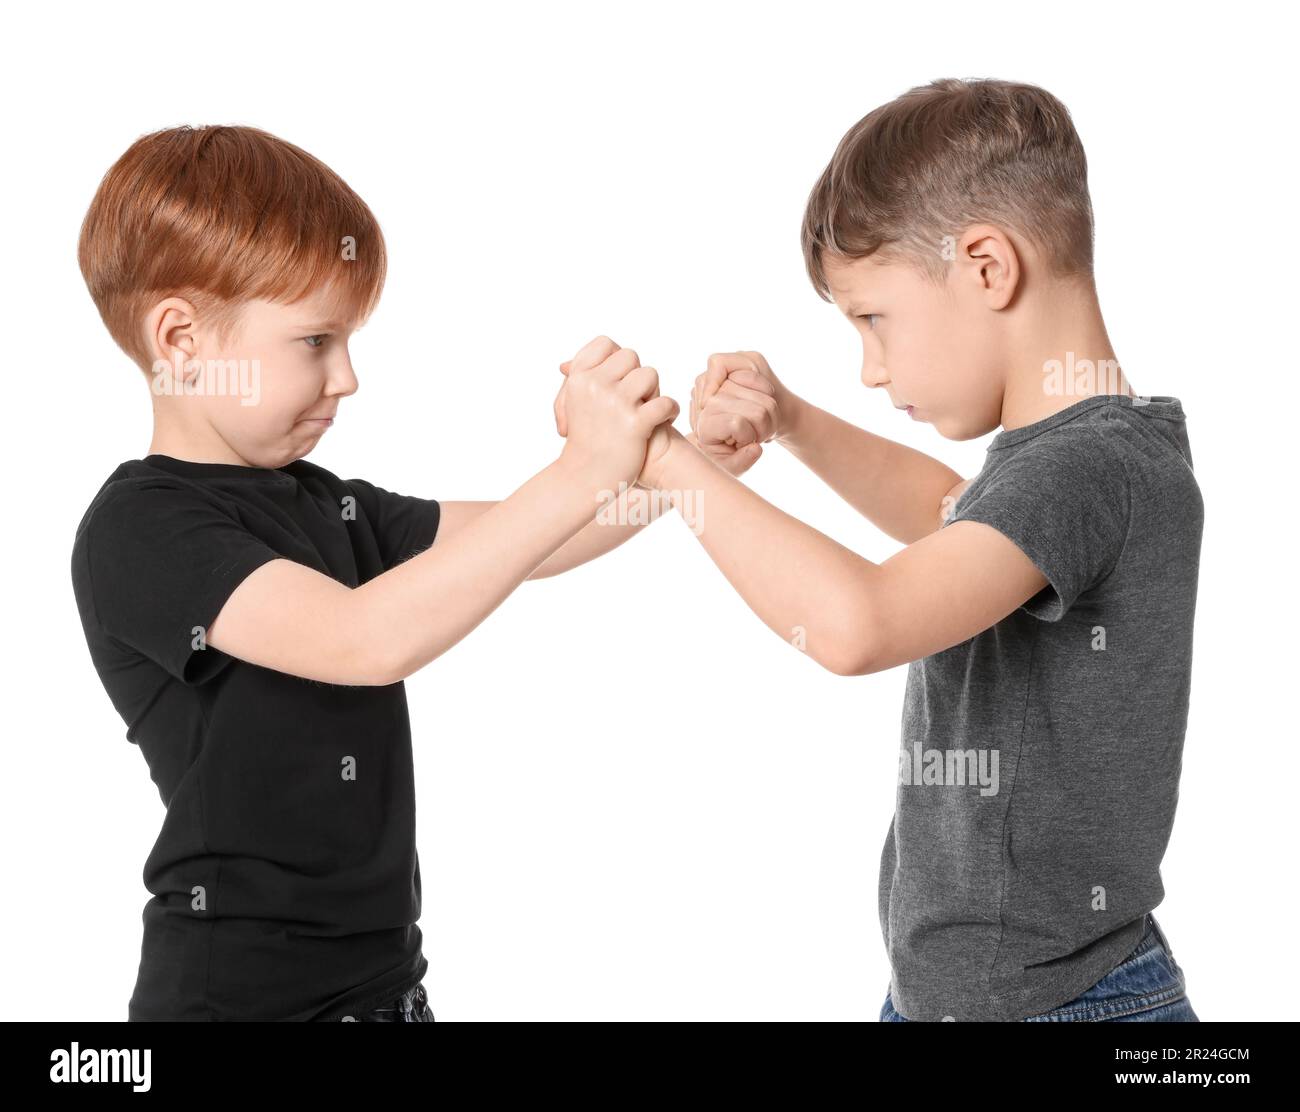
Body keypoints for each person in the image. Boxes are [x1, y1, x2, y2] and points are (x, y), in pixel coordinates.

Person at [70, 124, 717, 1020]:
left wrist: (684, 467)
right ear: (180, 336)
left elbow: (537, 541)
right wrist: (579, 468)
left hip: (383, 988)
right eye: (314, 341)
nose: (347, 377)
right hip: (236, 1000)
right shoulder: (143, 528)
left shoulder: (327, 504)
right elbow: (363, 639)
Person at [640, 77, 1204, 1021]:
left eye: (873, 318)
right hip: (986, 995)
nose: (870, 367)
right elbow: (949, 509)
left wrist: (661, 459)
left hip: (1054, 1006)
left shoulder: (1088, 468)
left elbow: (861, 625)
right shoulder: (1077, 459)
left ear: (987, 266)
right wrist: (794, 422)